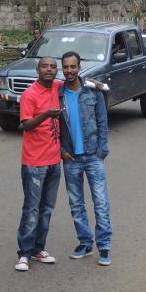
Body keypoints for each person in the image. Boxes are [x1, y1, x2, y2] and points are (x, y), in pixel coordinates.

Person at [59, 52, 113, 266]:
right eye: (66, 67)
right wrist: (61, 150)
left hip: (93, 156)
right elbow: (55, 127)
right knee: (76, 204)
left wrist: (102, 150)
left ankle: (105, 246)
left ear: (79, 67)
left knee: (101, 203)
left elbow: (102, 120)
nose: (69, 70)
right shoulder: (58, 93)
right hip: (70, 158)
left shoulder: (92, 90)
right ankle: (85, 243)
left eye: (73, 66)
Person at [14, 56, 63, 273]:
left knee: (47, 209)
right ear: (37, 70)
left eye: (53, 67)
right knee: (32, 209)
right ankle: (24, 253)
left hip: (54, 160)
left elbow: (78, 80)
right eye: (45, 67)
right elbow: (26, 125)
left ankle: (38, 249)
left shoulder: (57, 88)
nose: (49, 70)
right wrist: (46, 114)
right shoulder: (29, 95)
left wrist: (98, 85)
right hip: (34, 162)